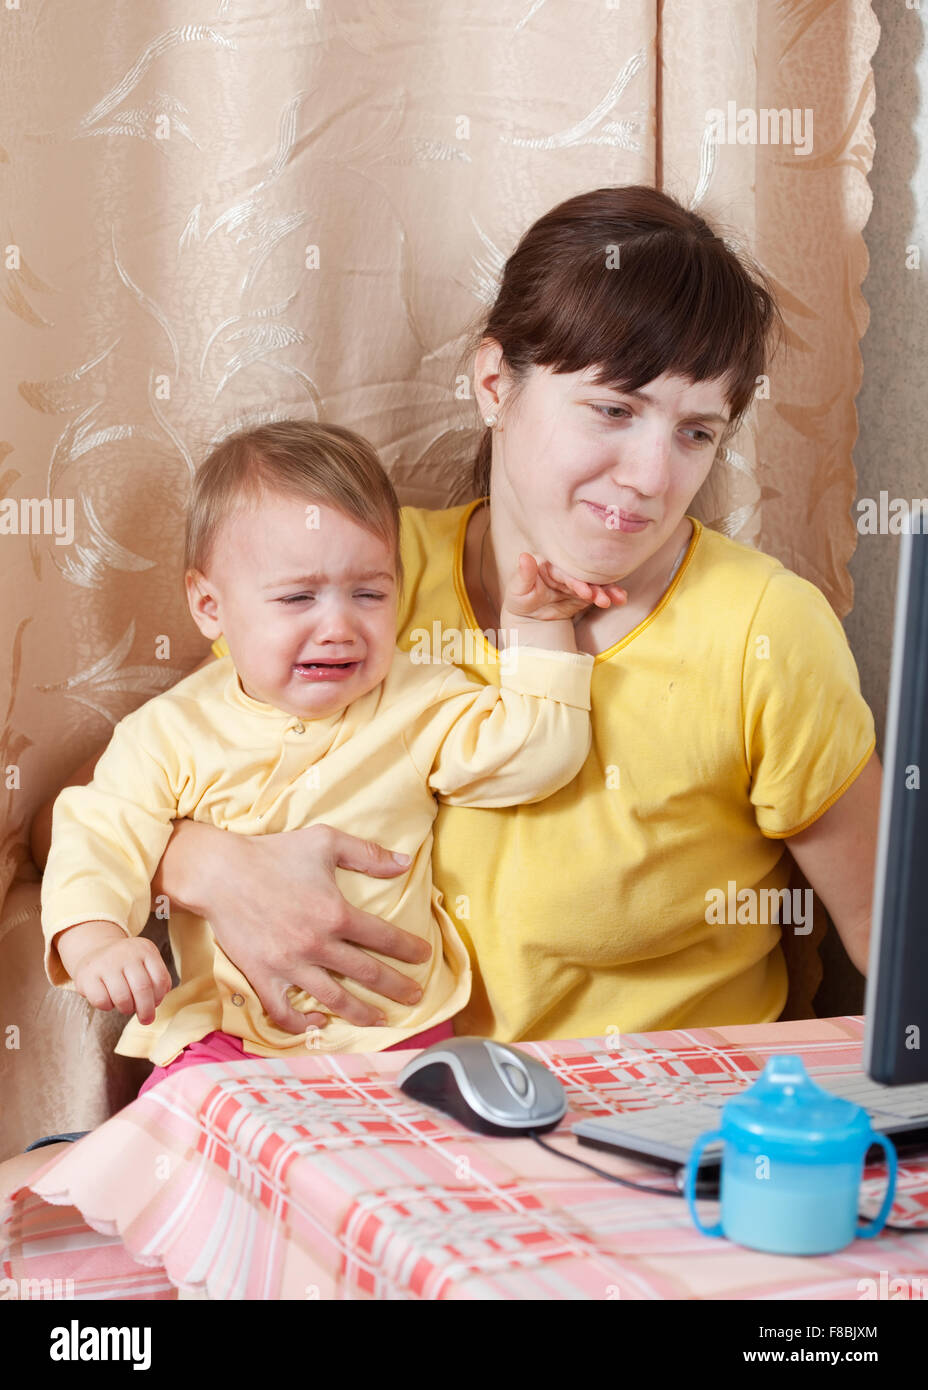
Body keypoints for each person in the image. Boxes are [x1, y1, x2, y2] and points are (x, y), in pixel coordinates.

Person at [5, 183, 881, 1192]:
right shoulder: (359, 584)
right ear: (493, 382)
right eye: (613, 407)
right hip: (359, 1136)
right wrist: (206, 868)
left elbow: (895, 965)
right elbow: (78, 816)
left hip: (634, 1156)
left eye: (697, 432)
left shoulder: (761, 631)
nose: (649, 474)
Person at [39, 419, 620, 1096]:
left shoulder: (415, 698)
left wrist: (542, 623)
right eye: (298, 597)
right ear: (209, 606)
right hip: (229, 1035)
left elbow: (533, 754)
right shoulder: (171, 731)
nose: (339, 626)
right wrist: (97, 940)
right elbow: (97, 832)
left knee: (414, 1162)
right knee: (183, 1133)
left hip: (396, 1031)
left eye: (369, 593)